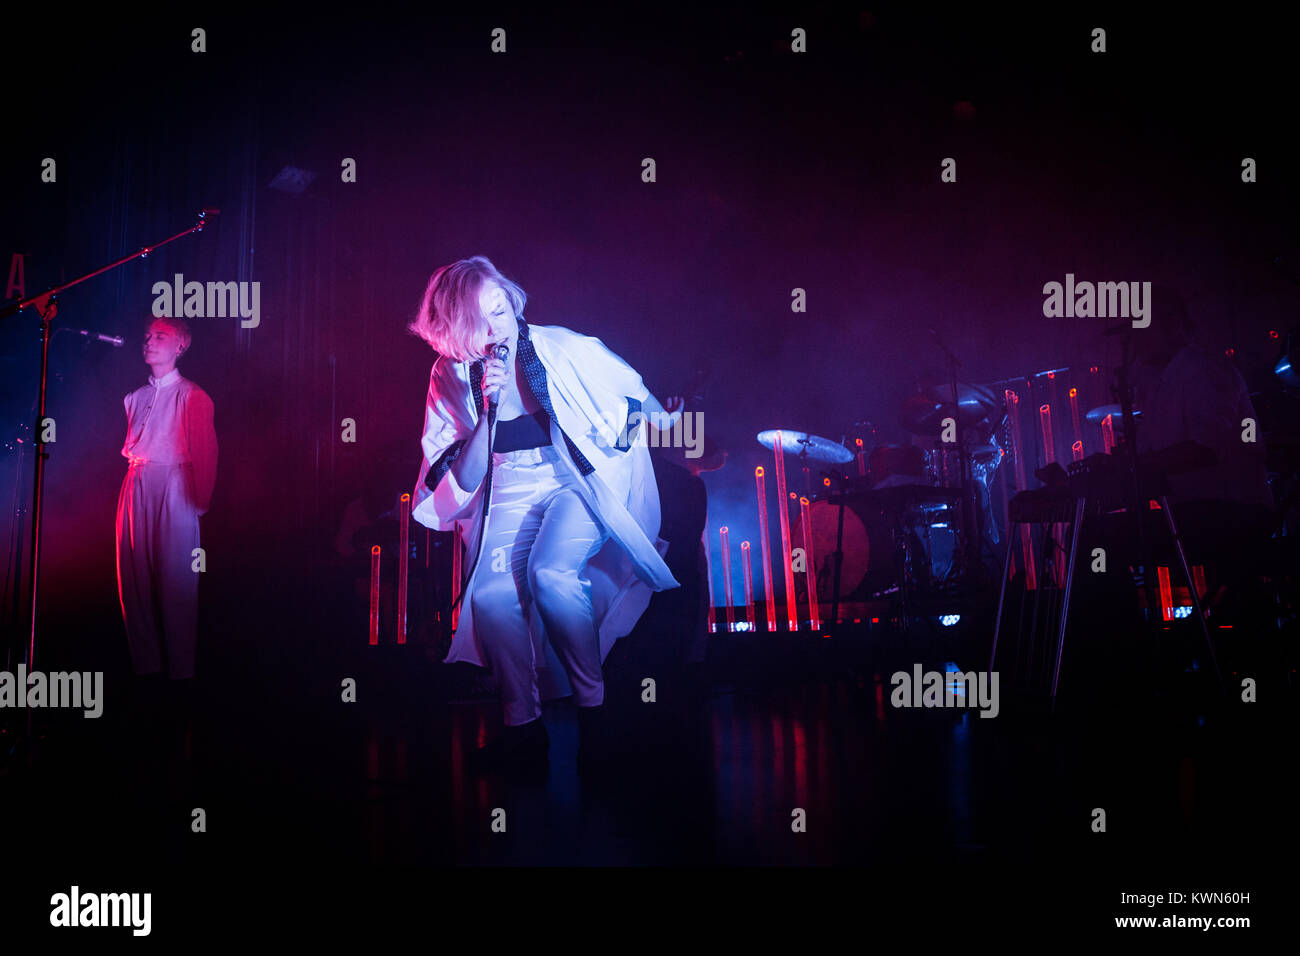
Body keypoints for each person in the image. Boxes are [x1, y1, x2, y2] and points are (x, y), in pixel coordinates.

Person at [409, 256, 682, 772]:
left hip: (569, 480)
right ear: (458, 329)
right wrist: (489, 410)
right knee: (489, 596)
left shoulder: (559, 346)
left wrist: (615, 447)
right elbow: (462, 479)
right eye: (484, 317)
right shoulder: (450, 375)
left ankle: (593, 712)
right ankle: (524, 729)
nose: (501, 323)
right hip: (507, 487)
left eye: (503, 306)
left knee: (551, 572)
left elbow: (641, 402)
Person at [116, 315, 218, 753]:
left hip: (176, 483)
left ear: (181, 345)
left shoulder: (193, 396)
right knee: (132, 579)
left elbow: (207, 452)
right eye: (147, 335)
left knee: (177, 581)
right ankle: (147, 674)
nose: (149, 341)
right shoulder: (133, 397)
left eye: (160, 336)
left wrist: (198, 501)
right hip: (136, 481)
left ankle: (180, 680)